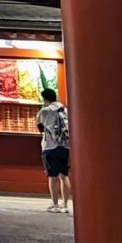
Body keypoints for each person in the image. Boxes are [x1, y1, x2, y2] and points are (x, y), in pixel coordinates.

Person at [37, 85, 71, 214]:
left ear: (45, 98)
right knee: (64, 175)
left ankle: (55, 205)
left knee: (52, 176)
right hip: (65, 146)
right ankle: (65, 205)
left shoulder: (45, 111)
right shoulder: (65, 110)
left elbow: (40, 127)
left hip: (50, 146)